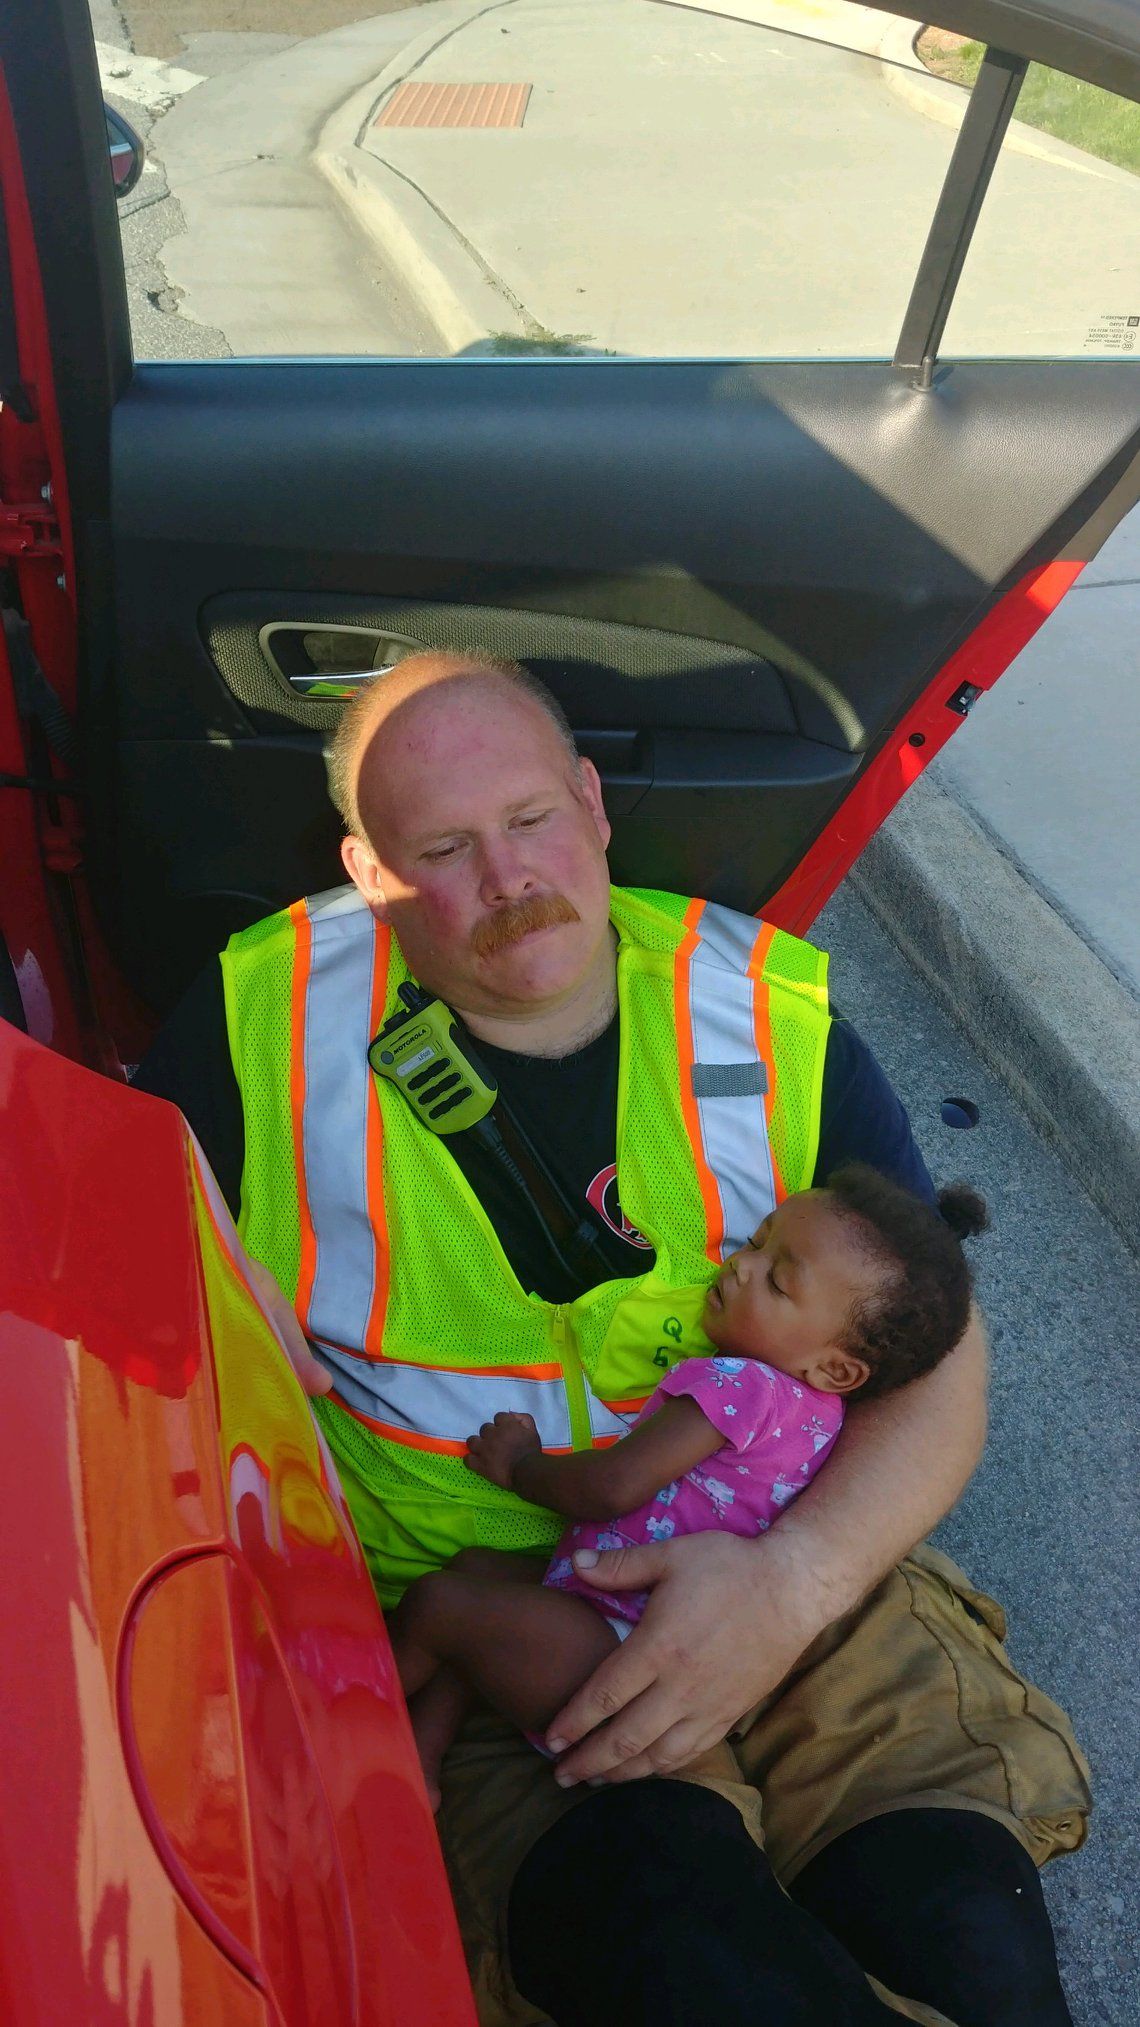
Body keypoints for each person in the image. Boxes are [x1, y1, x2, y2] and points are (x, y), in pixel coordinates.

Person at [133, 649, 1088, 2027]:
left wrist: (793, 1584)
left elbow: (941, 1360)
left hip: (797, 1563)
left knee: (974, 1948)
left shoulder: (754, 1007)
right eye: (442, 848)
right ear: (368, 867)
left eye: (530, 817)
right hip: (495, 1630)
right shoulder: (253, 1029)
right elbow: (114, 1307)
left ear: (590, 801)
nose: (507, 876)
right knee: (707, 1969)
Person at [390, 1168, 989, 1807]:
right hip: (643, 1641)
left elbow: (612, 1487)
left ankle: (345, 1717)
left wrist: (521, 1466)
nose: (742, 1266)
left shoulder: (738, 1385)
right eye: (757, 1241)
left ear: (836, 1368)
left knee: (439, 1604)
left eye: (778, 1281)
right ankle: (422, 1754)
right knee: (478, 1573)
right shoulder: (821, 1419)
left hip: (609, 1650)